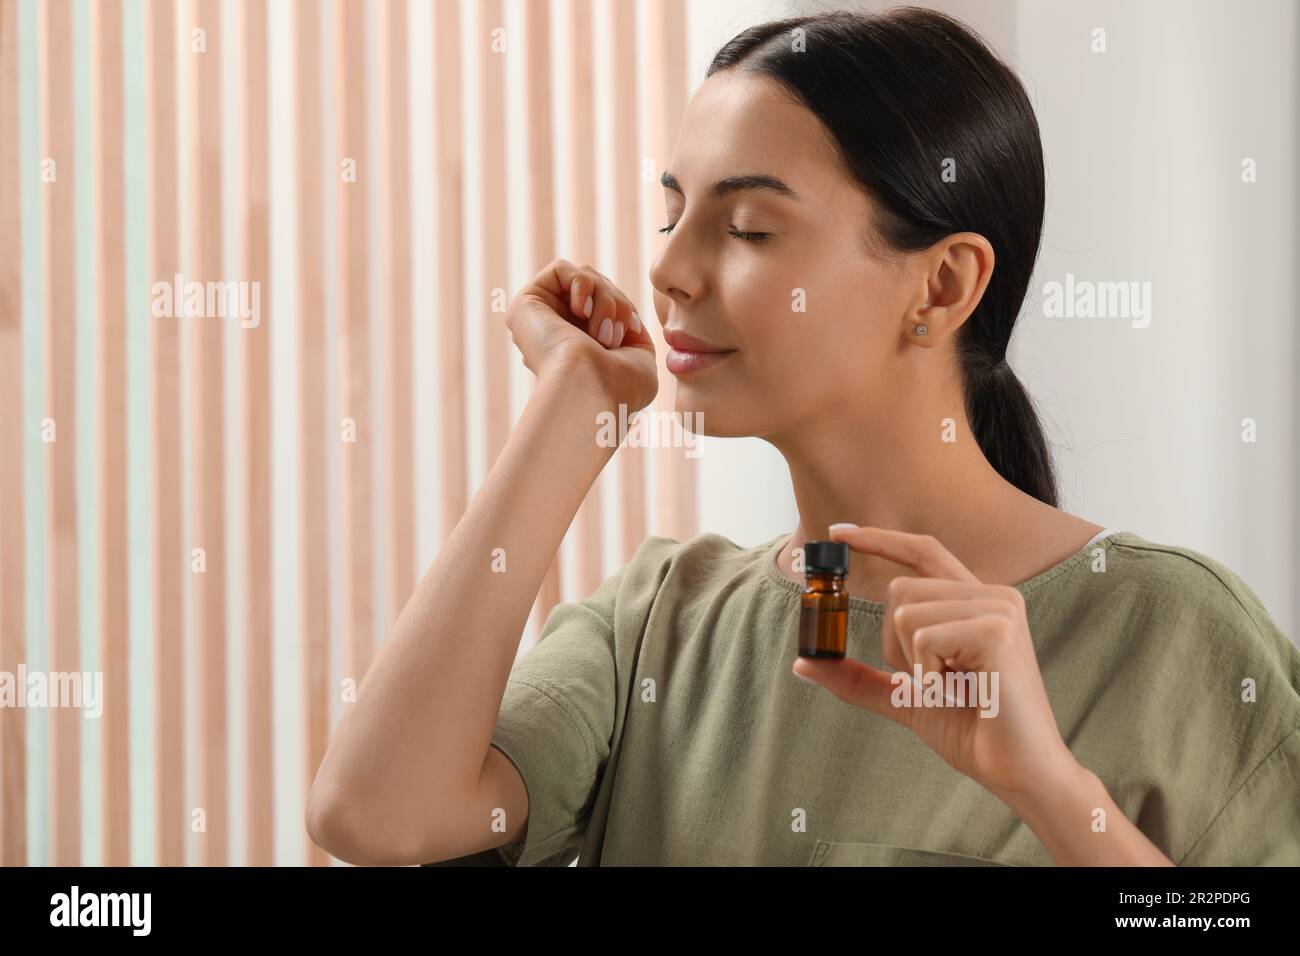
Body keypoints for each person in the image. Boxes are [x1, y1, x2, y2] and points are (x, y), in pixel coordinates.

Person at [305, 7, 1300, 866]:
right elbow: (374, 812)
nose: (669, 273)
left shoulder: (1168, 634)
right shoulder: (656, 621)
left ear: (942, 284)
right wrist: (575, 404)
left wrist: (1049, 788)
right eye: (672, 213)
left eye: (746, 230)